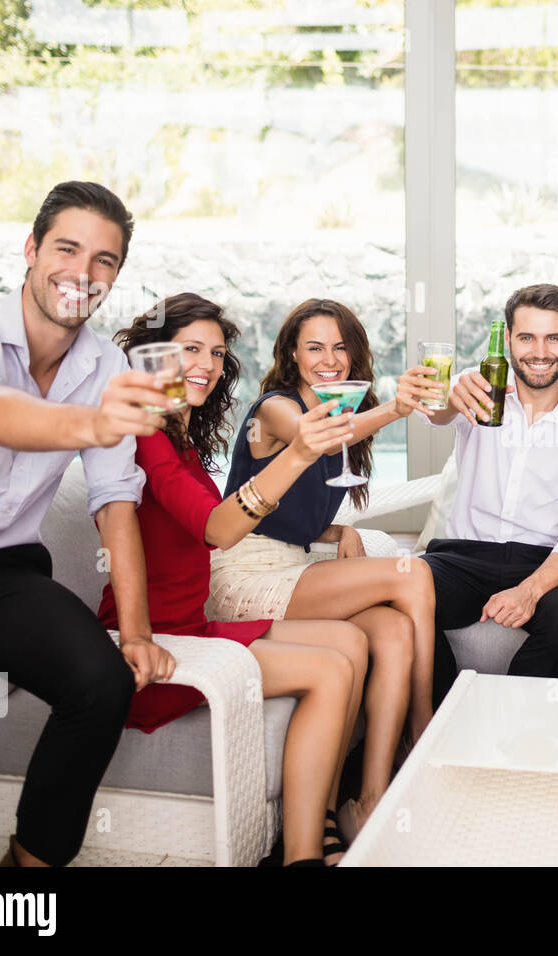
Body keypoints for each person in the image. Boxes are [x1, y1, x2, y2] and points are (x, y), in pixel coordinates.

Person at [0, 181, 176, 867]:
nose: (82, 274)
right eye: (67, 248)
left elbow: (115, 501)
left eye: (105, 261)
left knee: (101, 683)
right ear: (31, 250)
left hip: (1, 573)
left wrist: (137, 633)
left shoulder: (106, 367)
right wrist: (89, 422)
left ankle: (24, 875)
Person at [104, 293, 370, 866]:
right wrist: (296, 454)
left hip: (193, 626)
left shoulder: (182, 437)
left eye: (217, 353)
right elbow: (218, 531)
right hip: (157, 647)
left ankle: (319, 819)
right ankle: (303, 856)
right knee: (330, 669)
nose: (206, 363)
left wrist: (324, 525)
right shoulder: (145, 436)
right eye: (189, 349)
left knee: (352, 641)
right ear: (151, 357)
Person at [207, 297, 436, 842]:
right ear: (291, 353)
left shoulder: (343, 413)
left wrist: (339, 531)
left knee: (396, 628)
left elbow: (294, 514)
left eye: (340, 347)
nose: (329, 359)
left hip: (289, 561)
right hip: (243, 570)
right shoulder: (276, 409)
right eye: (315, 347)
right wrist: (397, 410)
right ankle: (424, 728)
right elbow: (321, 433)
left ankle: (369, 798)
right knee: (411, 573)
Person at [420, 283, 558, 690]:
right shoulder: (475, 388)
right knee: (403, 593)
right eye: (526, 337)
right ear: (507, 338)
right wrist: (451, 400)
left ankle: (508, 722)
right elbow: (433, 414)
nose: (539, 352)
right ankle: (442, 718)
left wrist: (529, 590)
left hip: (542, 561)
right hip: (462, 557)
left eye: (552, 338)